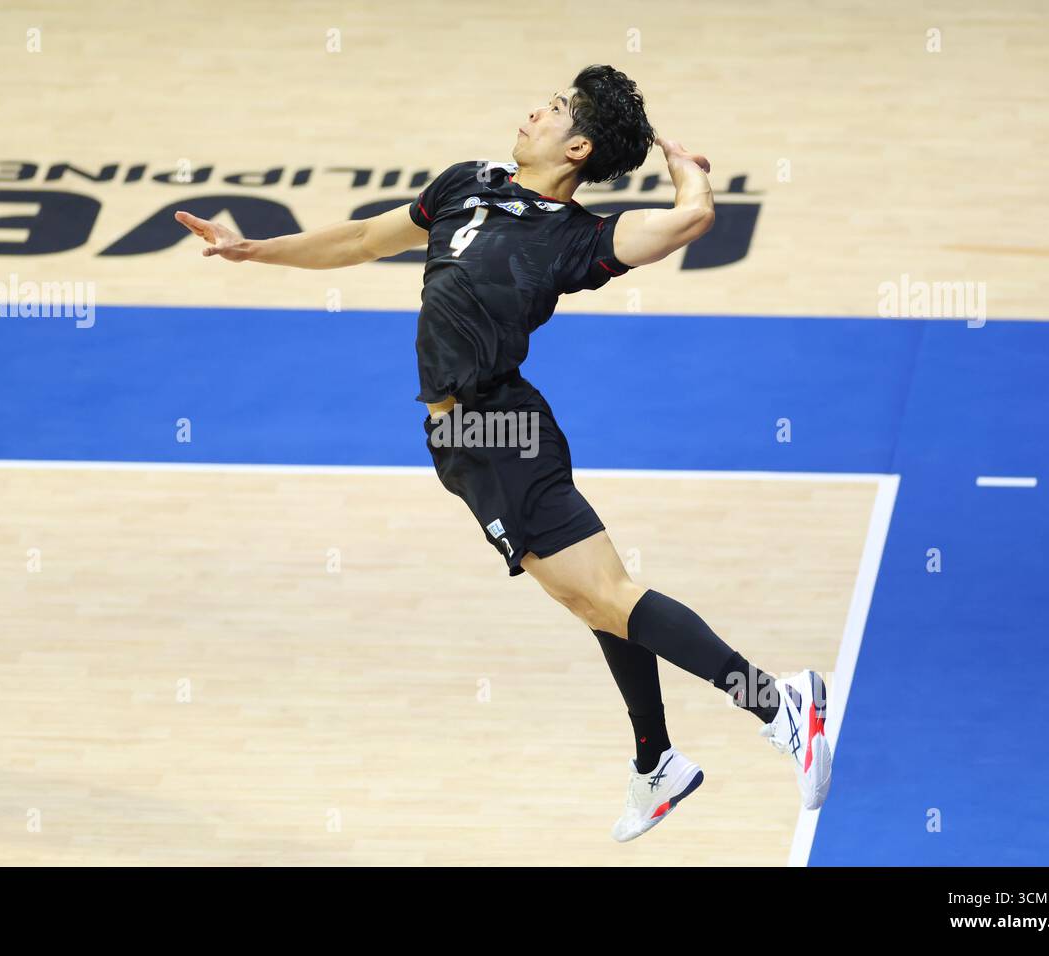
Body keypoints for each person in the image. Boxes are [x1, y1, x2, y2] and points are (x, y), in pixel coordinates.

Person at [175, 64, 830, 842]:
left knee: (604, 594)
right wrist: (256, 251)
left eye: (552, 109)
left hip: (501, 427)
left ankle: (776, 701)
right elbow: (359, 238)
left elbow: (686, 225)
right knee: (589, 595)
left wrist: (686, 175)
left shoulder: (577, 240)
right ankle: (657, 761)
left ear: (578, 146)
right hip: (455, 438)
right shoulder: (466, 182)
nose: (532, 111)